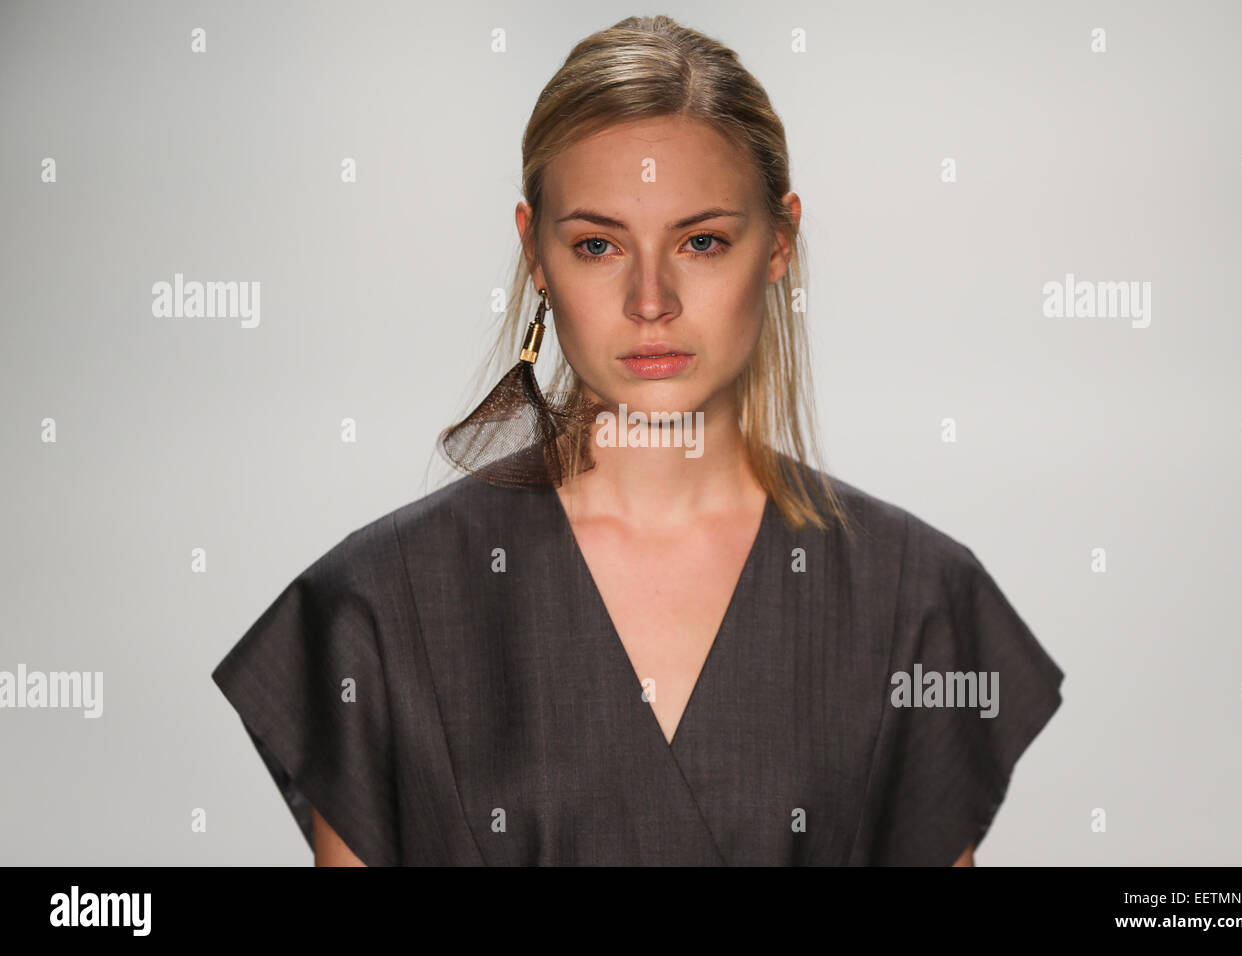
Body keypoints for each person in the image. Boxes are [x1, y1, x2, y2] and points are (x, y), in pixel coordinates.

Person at [211, 14, 1064, 867]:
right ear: (535, 254)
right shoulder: (382, 608)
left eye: (701, 241)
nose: (649, 298)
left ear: (779, 243)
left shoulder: (911, 601)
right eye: (596, 244)